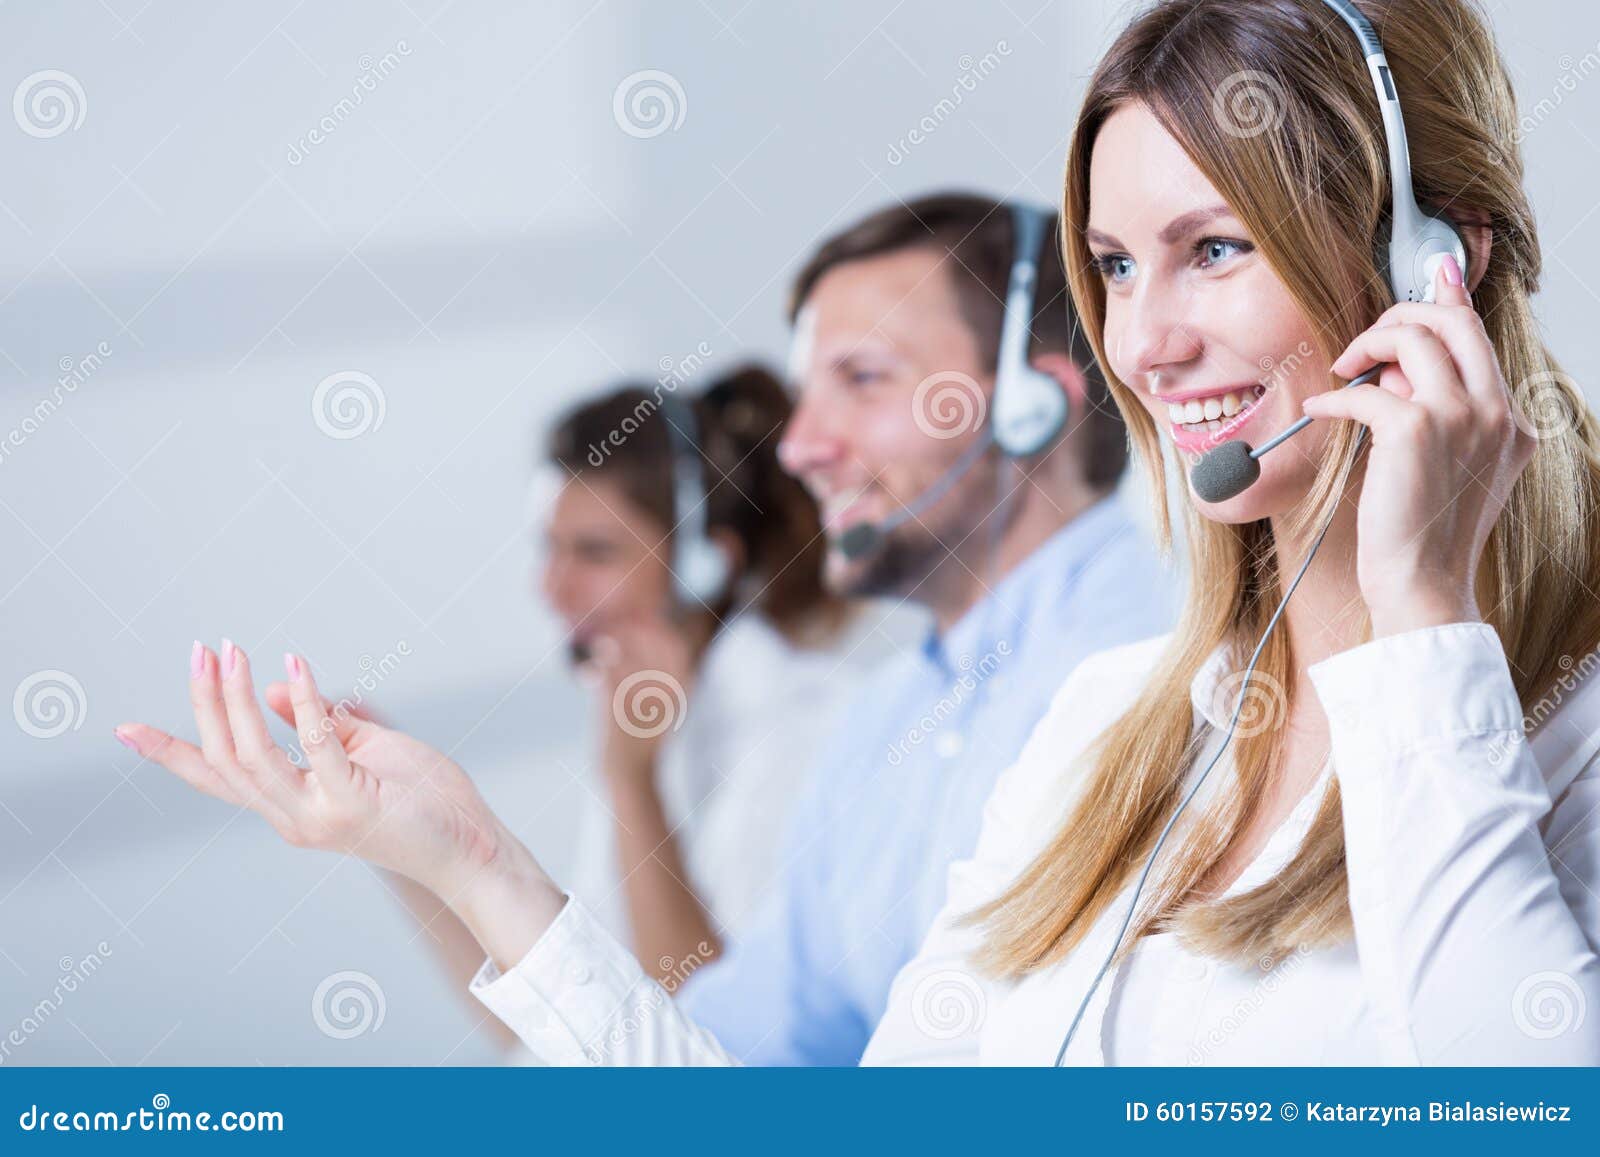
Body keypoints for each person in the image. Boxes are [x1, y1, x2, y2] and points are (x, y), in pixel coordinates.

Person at [116, 190, 1177, 1065]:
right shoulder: (893, 728)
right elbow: (714, 1067)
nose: (804, 448)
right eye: (808, 395)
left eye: (862, 380)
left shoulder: (1149, 674)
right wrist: (458, 855)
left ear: (1032, 406)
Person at [387, 365, 899, 1048]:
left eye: (594, 552)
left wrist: (632, 783)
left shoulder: (805, 725)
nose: (552, 587)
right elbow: (552, 1029)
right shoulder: (647, 723)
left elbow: (708, 1047)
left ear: (703, 563)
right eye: (551, 546)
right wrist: (398, 843)